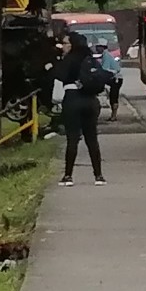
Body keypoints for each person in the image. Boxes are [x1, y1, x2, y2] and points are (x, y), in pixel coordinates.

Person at [50, 31, 108, 187]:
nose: (63, 47)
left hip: (72, 100)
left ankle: (68, 176)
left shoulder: (68, 60)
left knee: (72, 139)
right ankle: (99, 175)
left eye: (65, 43)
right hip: (90, 101)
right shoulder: (90, 59)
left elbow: (57, 77)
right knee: (92, 139)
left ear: (73, 44)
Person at [97, 42, 123, 121]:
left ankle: (114, 115)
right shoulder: (106, 55)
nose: (97, 49)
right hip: (114, 78)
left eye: (99, 47)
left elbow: (105, 69)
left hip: (115, 78)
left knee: (113, 96)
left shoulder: (106, 56)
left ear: (103, 47)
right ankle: (113, 115)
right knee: (113, 95)